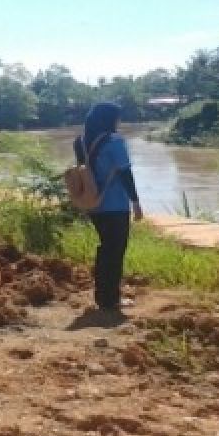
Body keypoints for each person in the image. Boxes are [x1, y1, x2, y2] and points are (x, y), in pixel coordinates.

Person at [73, 102, 142, 314]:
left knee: (105, 249)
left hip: (94, 204)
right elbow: (125, 173)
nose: (119, 122)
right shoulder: (115, 141)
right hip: (115, 205)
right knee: (115, 252)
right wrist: (136, 202)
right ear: (110, 119)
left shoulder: (80, 142)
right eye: (118, 118)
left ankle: (103, 297)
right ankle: (111, 300)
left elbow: (84, 173)